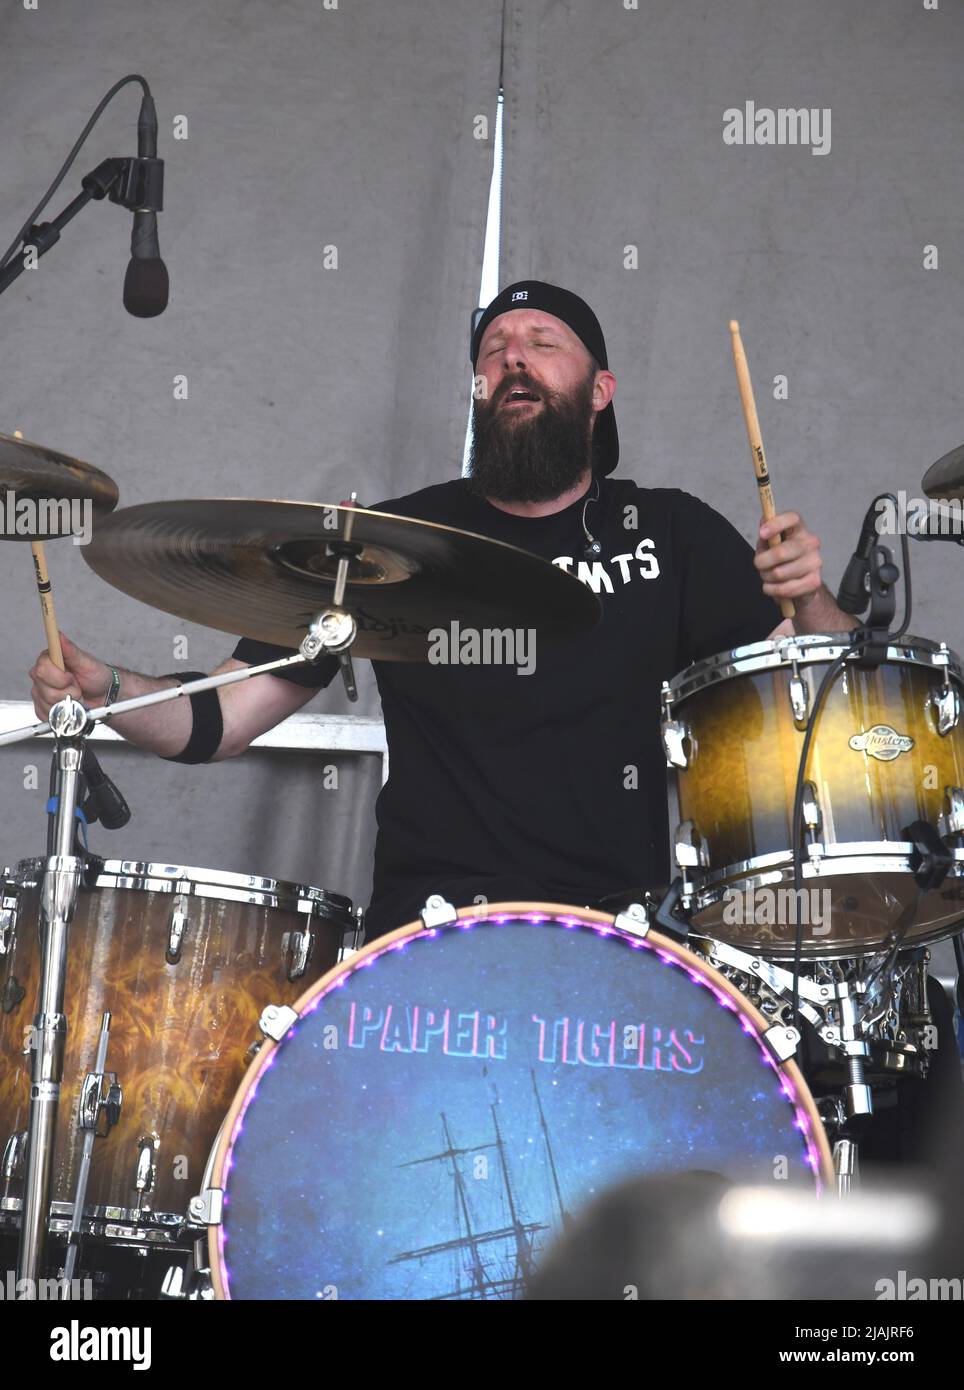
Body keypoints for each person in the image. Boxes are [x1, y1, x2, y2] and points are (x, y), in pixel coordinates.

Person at [31, 280, 841, 940]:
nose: (513, 359)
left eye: (542, 343)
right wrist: (109, 693)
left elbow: (819, 697)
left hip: (619, 935)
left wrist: (809, 600)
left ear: (601, 391)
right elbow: (224, 718)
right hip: (430, 932)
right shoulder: (392, 541)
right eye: (494, 351)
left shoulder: (672, 531)